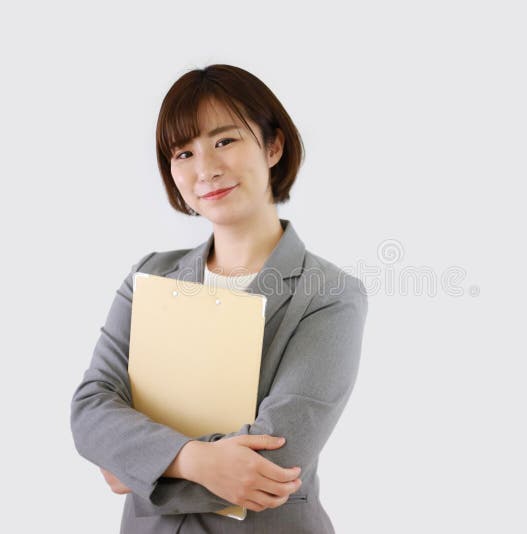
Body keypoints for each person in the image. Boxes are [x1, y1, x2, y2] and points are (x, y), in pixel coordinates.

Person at [70, 64, 369, 534]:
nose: (205, 168)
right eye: (183, 152)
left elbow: (277, 456)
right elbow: (90, 409)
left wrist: (138, 462)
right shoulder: (148, 276)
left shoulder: (329, 294)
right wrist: (192, 459)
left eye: (225, 141)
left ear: (273, 146)